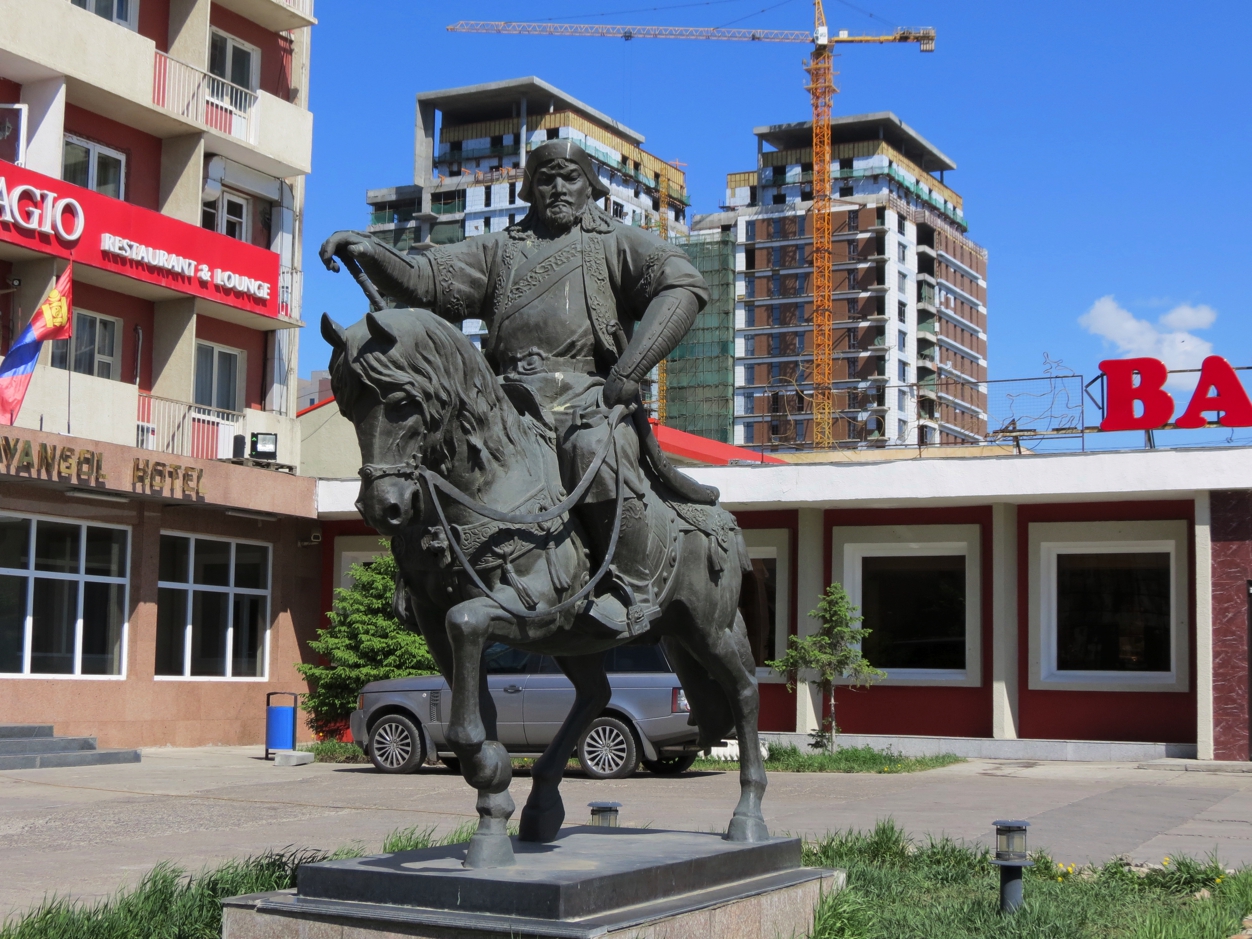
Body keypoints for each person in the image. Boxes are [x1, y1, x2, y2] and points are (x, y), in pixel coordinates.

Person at [320, 139, 711, 631]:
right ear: (530, 189)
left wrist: (630, 372)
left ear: (589, 186)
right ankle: (423, 575)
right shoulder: (500, 249)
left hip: (586, 398)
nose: (558, 188)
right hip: (506, 400)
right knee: (442, 452)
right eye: (546, 179)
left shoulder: (615, 240)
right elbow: (427, 279)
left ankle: (631, 584)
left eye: (570, 177)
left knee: (592, 447)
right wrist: (371, 250)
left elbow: (684, 284)